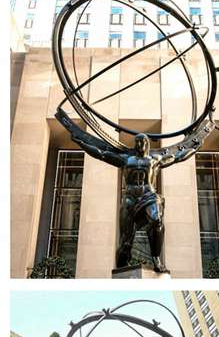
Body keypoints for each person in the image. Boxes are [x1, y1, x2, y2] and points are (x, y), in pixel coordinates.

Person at [55, 108, 209, 272]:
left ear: (147, 144)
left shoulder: (154, 159)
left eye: (143, 142)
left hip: (149, 196)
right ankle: (122, 268)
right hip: (130, 200)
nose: (140, 144)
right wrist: (80, 141)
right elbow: (101, 153)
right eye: (137, 142)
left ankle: (156, 258)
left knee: (157, 220)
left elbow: (178, 156)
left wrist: (197, 145)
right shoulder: (125, 159)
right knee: (126, 242)